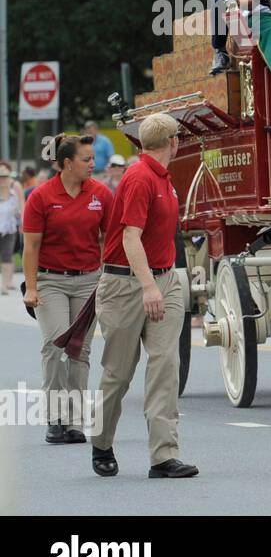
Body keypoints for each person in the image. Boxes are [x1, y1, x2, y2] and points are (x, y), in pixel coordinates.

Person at [91, 114, 196, 479]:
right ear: (173, 142)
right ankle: (102, 441)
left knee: (165, 365)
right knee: (119, 373)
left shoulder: (164, 179)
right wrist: (148, 285)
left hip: (165, 281)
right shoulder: (139, 178)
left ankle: (163, 456)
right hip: (126, 286)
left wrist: (162, 283)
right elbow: (129, 237)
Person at [22, 135, 114, 445]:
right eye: (86, 159)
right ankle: (54, 418)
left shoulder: (101, 194)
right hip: (51, 281)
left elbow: (111, 239)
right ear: (66, 163)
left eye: (93, 158)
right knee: (56, 343)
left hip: (89, 281)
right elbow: (31, 246)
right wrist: (31, 288)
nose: (93, 164)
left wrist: (110, 279)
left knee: (80, 350)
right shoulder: (41, 197)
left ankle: (74, 422)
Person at [0, 163, 23, 294]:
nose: (2, 179)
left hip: (9, 228)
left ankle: (6, 283)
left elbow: (21, 206)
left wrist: (22, 220)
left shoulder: (14, 191)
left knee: (7, 255)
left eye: (4, 176)